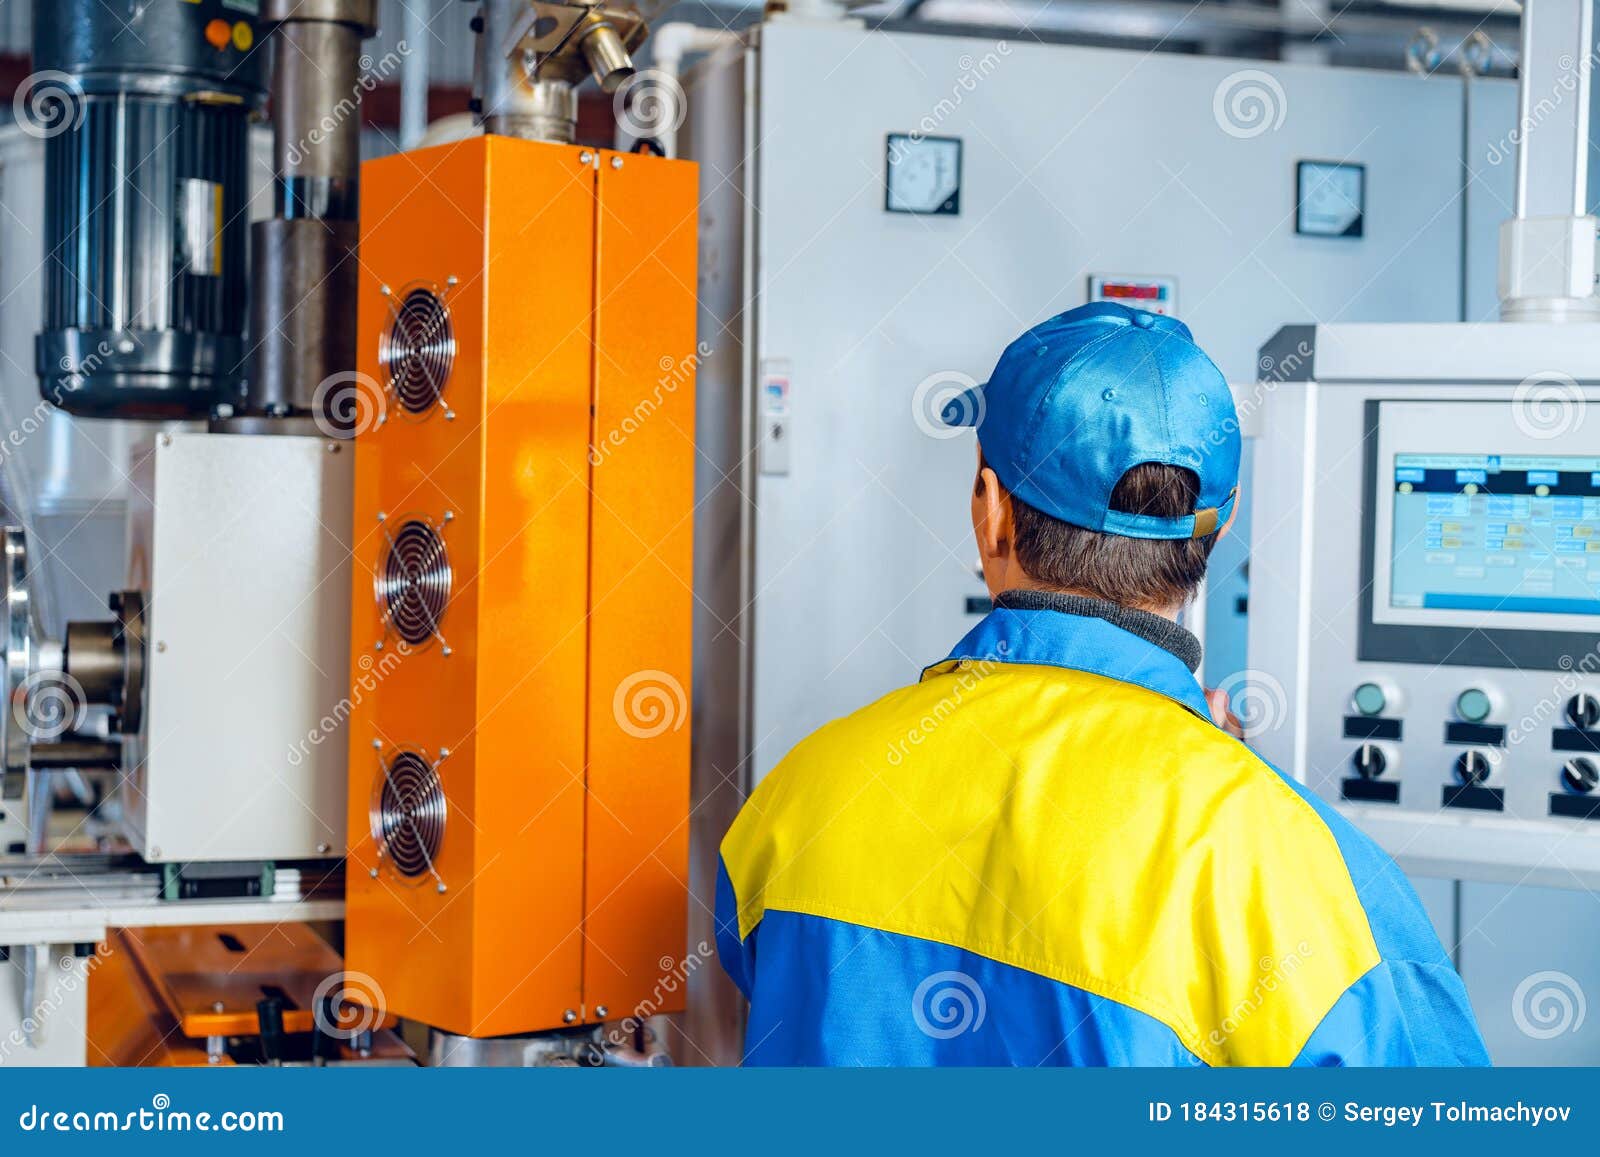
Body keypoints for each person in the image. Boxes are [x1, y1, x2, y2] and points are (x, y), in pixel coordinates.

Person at [713, 302, 1489, 1066]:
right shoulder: (1298, 872)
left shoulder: (803, 792)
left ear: (990, 513)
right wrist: (1220, 788)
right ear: (1222, 522)